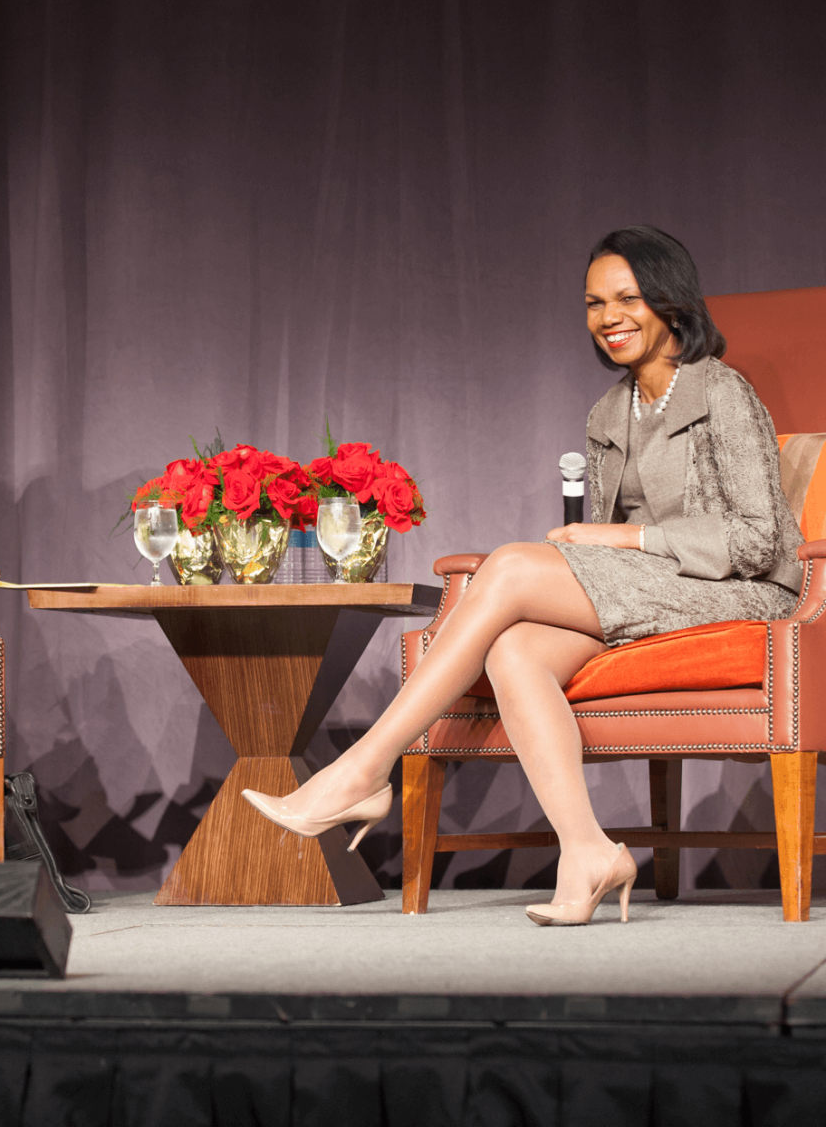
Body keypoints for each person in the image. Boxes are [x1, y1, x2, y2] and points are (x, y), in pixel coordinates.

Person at [243, 226, 804, 924]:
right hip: (650, 595)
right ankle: (587, 849)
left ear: (673, 306)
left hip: (740, 594)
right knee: (514, 649)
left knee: (507, 566)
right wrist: (605, 545)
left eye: (629, 297)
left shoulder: (723, 393)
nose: (610, 318)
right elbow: (605, 559)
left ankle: (362, 767)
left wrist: (619, 535)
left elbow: (758, 540)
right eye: (595, 302)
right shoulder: (607, 412)